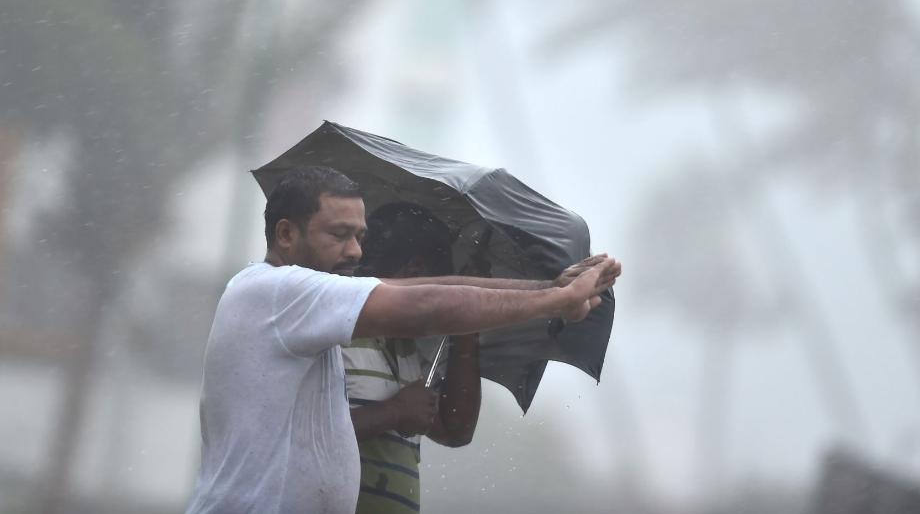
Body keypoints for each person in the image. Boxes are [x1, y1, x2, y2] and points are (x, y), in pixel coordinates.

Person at [184, 166, 621, 514]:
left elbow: (425, 290)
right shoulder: (275, 291)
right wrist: (555, 303)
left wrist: (548, 289)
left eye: (360, 237)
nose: (355, 251)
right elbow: (425, 303)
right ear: (285, 235)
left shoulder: (307, 308)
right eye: (339, 235)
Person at [343, 202, 481, 514]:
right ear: (414, 271)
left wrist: (467, 322)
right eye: (437, 288)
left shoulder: (406, 348)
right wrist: (395, 411)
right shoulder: (337, 334)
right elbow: (302, 433)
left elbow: (455, 428)